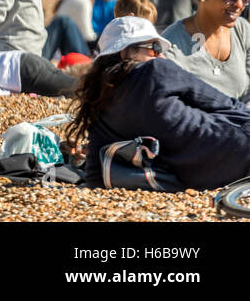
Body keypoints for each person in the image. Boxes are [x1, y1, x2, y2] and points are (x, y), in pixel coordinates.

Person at [69, 16, 250, 191]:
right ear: (126, 52)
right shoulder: (155, 70)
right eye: (154, 47)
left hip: (195, 178)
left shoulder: (99, 104)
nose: (161, 55)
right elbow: (226, 104)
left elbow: (94, 176)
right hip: (237, 151)